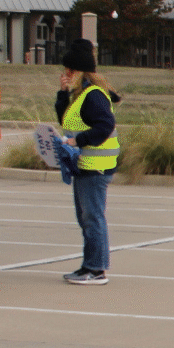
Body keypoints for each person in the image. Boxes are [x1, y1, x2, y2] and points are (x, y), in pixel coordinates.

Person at [54, 39, 120, 285]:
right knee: (86, 218)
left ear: (80, 71)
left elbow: (105, 125)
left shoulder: (93, 95)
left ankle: (97, 269)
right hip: (83, 166)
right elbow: (65, 120)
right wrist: (62, 93)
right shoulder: (80, 95)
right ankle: (89, 266)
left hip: (95, 167)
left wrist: (78, 141)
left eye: (70, 70)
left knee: (92, 218)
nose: (66, 75)